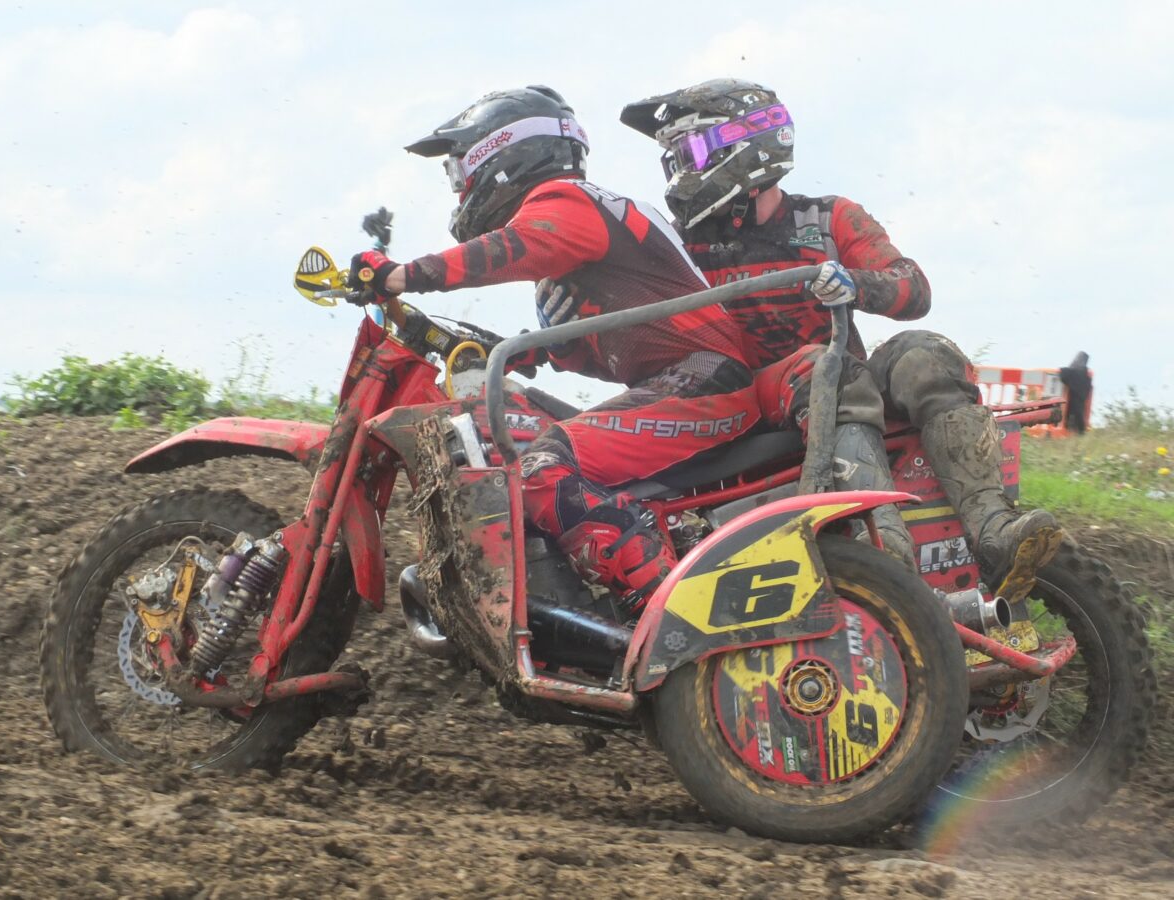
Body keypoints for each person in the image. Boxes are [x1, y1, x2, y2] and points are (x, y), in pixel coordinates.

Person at [608, 79, 1061, 590]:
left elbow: (914, 289)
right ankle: (883, 551)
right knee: (830, 366)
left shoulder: (827, 218)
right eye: (674, 158)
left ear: (742, 146)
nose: (679, 170)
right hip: (753, 403)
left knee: (923, 354)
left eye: (688, 151)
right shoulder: (676, 248)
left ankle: (994, 528)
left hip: (847, 387)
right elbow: (630, 328)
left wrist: (854, 284)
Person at [347, 85, 758, 617]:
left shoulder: (566, 202)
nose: (457, 190)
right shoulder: (589, 223)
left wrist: (407, 275)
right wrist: (514, 352)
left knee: (535, 465)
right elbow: (606, 341)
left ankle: (672, 611)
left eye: (457, 173)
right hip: (686, 383)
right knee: (527, 429)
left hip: (702, 384)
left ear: (498, 157)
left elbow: (515, 248)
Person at [1059, 352, 1092, 434]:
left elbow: (1063, 375)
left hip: (1071, 401)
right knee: (1078, 420)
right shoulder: (1086, 375)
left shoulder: (1073, 372)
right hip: (1080, 402)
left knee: (1071, 419)